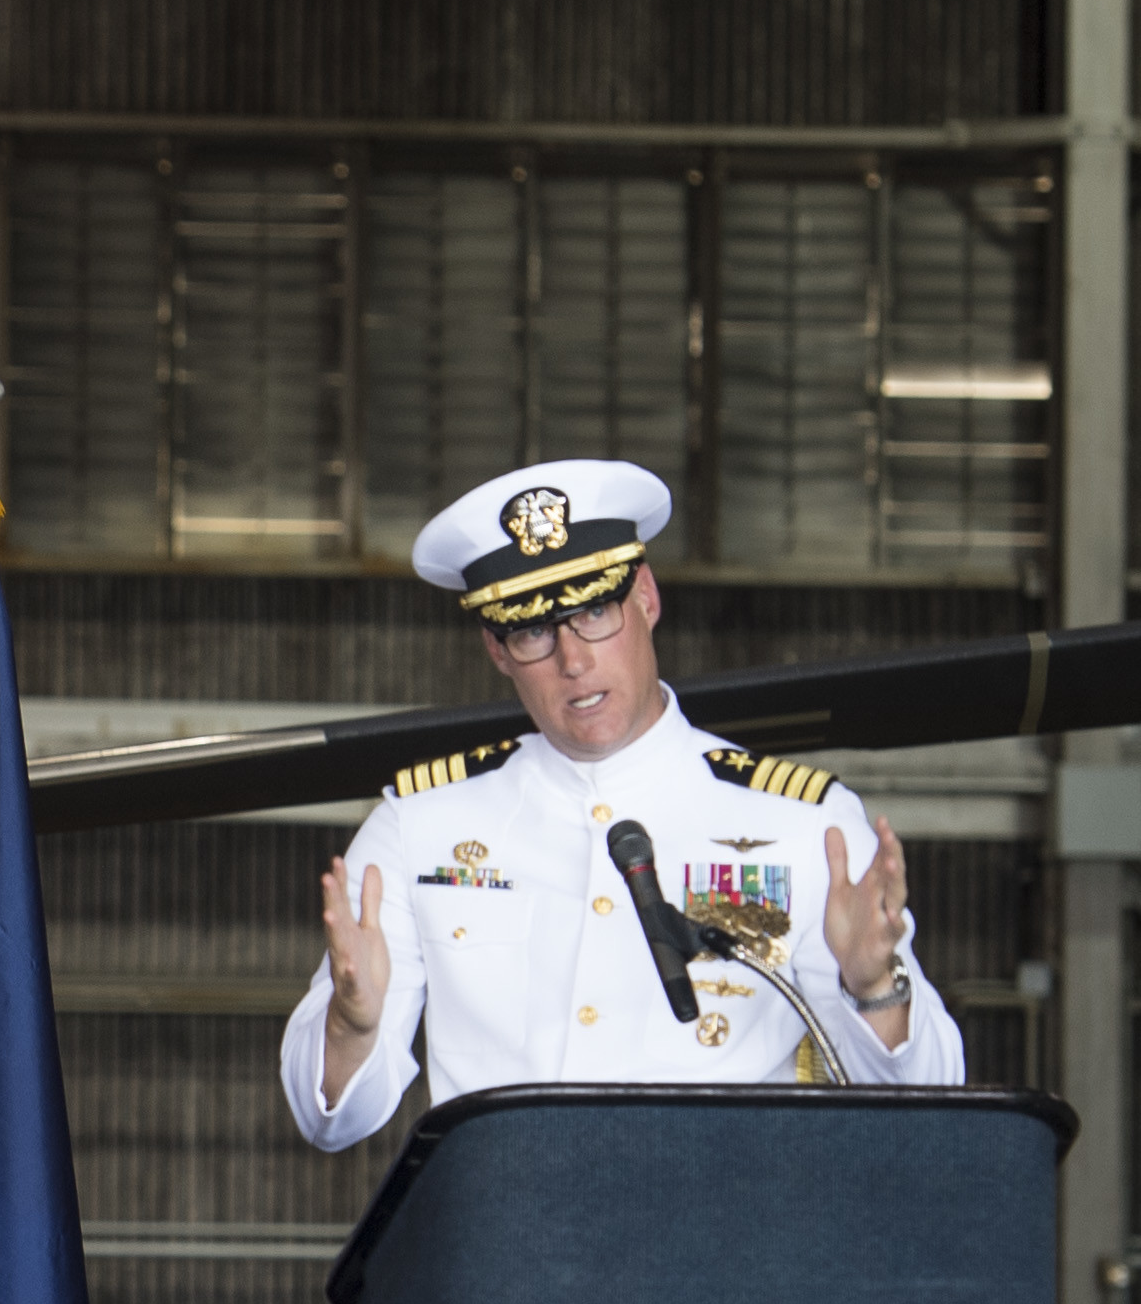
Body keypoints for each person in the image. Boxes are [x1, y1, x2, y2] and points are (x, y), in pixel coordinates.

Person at [286, 458, 960, 1150]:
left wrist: (874, 984)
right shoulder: (418, 827)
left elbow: (933, 1098)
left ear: (644, 596)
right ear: (495, 649)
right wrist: (352, 1023)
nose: (571, 660)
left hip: (725, 1237)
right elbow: (329, 1121)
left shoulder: (803, 825)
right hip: (509, 1239)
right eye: (531, 631)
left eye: (593, 612)